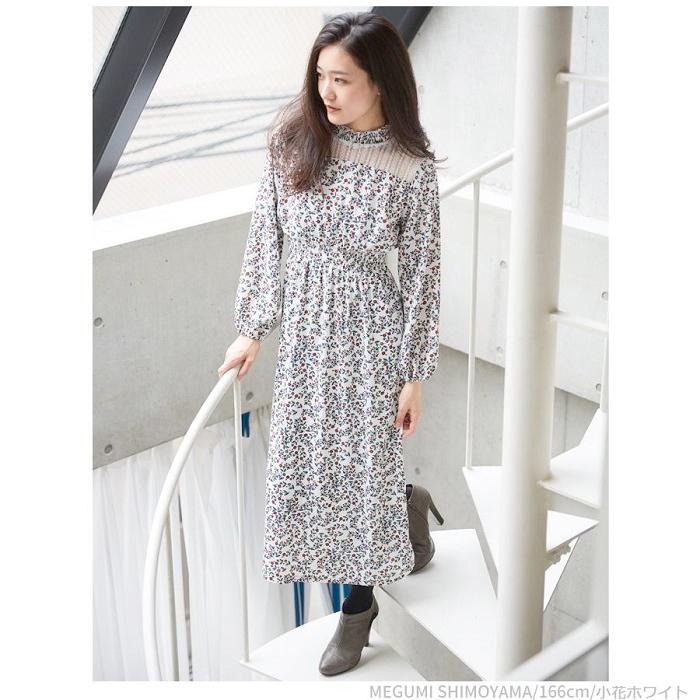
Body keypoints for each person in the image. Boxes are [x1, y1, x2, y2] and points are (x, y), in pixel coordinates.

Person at [218, 11, 444, 676]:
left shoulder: (409, 166)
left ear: (380, 83)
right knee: (312, 465)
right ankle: (407, 505)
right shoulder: (295, 139)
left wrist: (413, 373)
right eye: (320, 75)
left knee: (363, 467)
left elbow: (423, 273)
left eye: (341, 79)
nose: (325, 91)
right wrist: (252, 326)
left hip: (372, 334)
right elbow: (266, 236)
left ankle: (358, 607)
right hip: (306, 334)